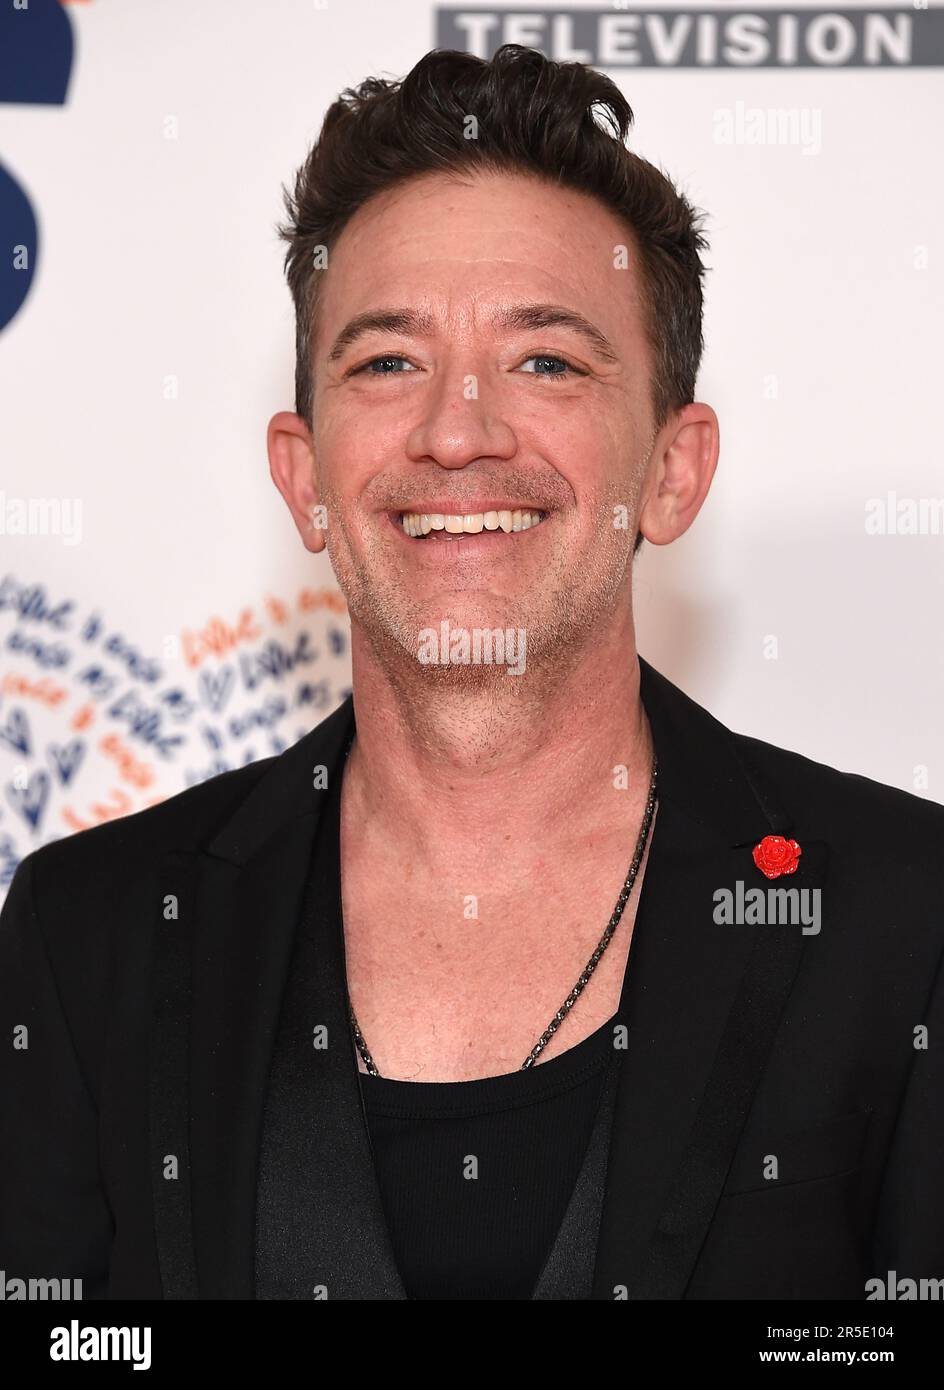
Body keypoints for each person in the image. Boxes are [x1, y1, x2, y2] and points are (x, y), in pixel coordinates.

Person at [1, 44, 942, 1302]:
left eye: (544, 361)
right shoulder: (88, 937)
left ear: (671, 470)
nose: (456, 431)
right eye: (387, 362)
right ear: (303, 476)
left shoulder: (901, 920)